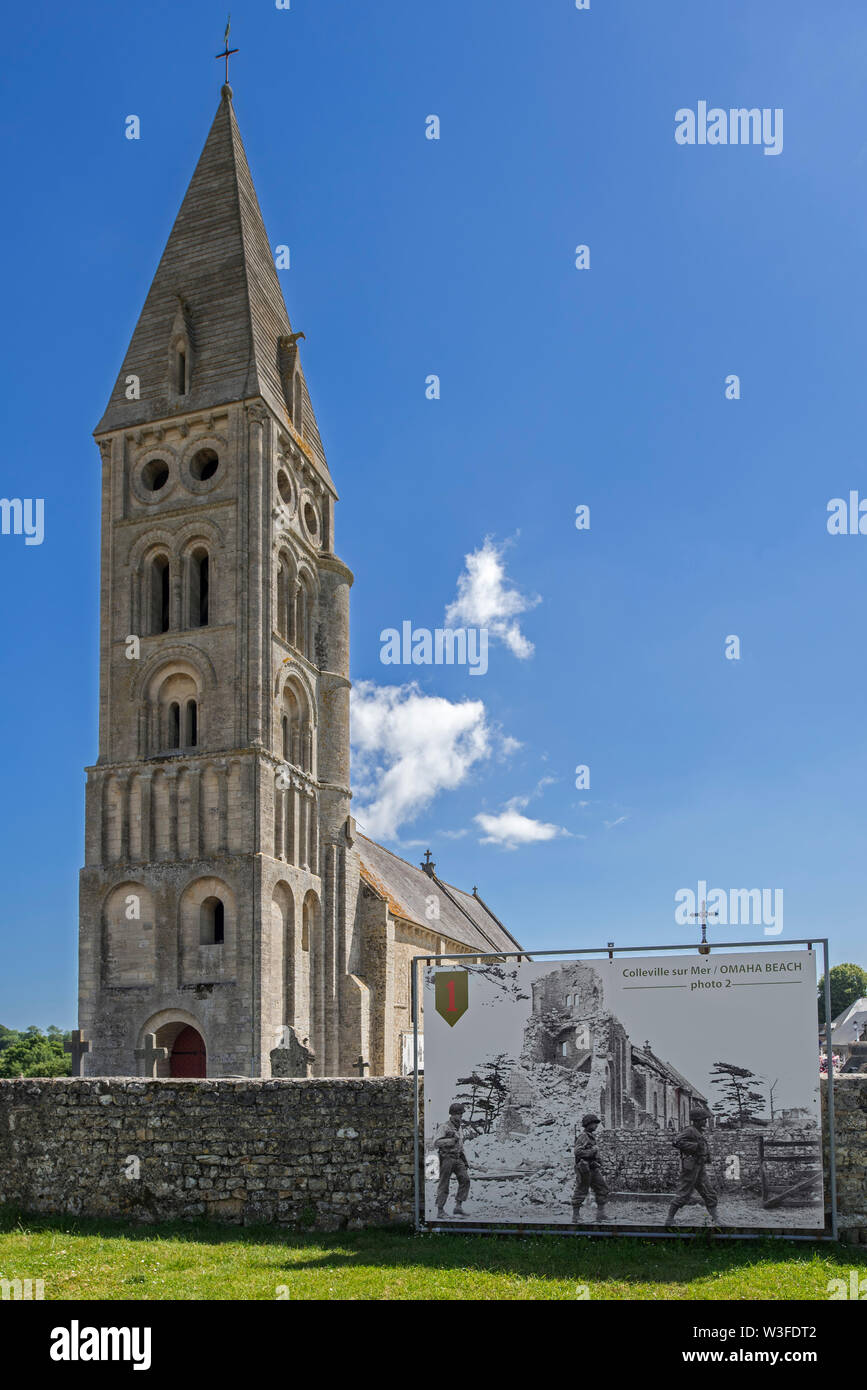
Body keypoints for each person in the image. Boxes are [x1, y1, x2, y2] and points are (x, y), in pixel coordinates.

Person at [666, 1107, 719, 1226]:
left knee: (709, 1192)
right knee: (683, 1193)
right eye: (703, 1120)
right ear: (697, 1120)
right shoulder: (690, 1130)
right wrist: (694, 1146)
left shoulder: (699, 1131)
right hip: (690, 1168)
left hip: (700, 1167)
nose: (705, 1122)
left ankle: (716, 1220)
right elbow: (676, 1141)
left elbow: (702, 1147)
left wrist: (706, 1156)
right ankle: (669, 1220)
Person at [433, 1102, 481, 1218]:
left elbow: (460, 1146)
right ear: (452, 1114)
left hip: (458, 1158)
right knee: (444, 1184)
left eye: (461, 1114)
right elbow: (436, 1143)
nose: (461, 1116)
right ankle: (440, 1211)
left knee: (465, 1180)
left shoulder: (459, 1128)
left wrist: (465, 1161)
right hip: (446, 1158)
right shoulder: (444, 1126)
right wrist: (450, 1141)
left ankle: (458, 1207)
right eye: (459, 1114)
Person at [572, 1113, 609, 1222]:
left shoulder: (591, 1136)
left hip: (593, 1167)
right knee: (581, 1190)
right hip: (584, 1168)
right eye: (594, 1123)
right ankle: (576, 1216)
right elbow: (577, 1152)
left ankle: (600, 1215)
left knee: (602, 1188)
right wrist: (593, 1151)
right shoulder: (583, 1137)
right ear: (588, 1124)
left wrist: (598, 1160)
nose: (596, 1126)